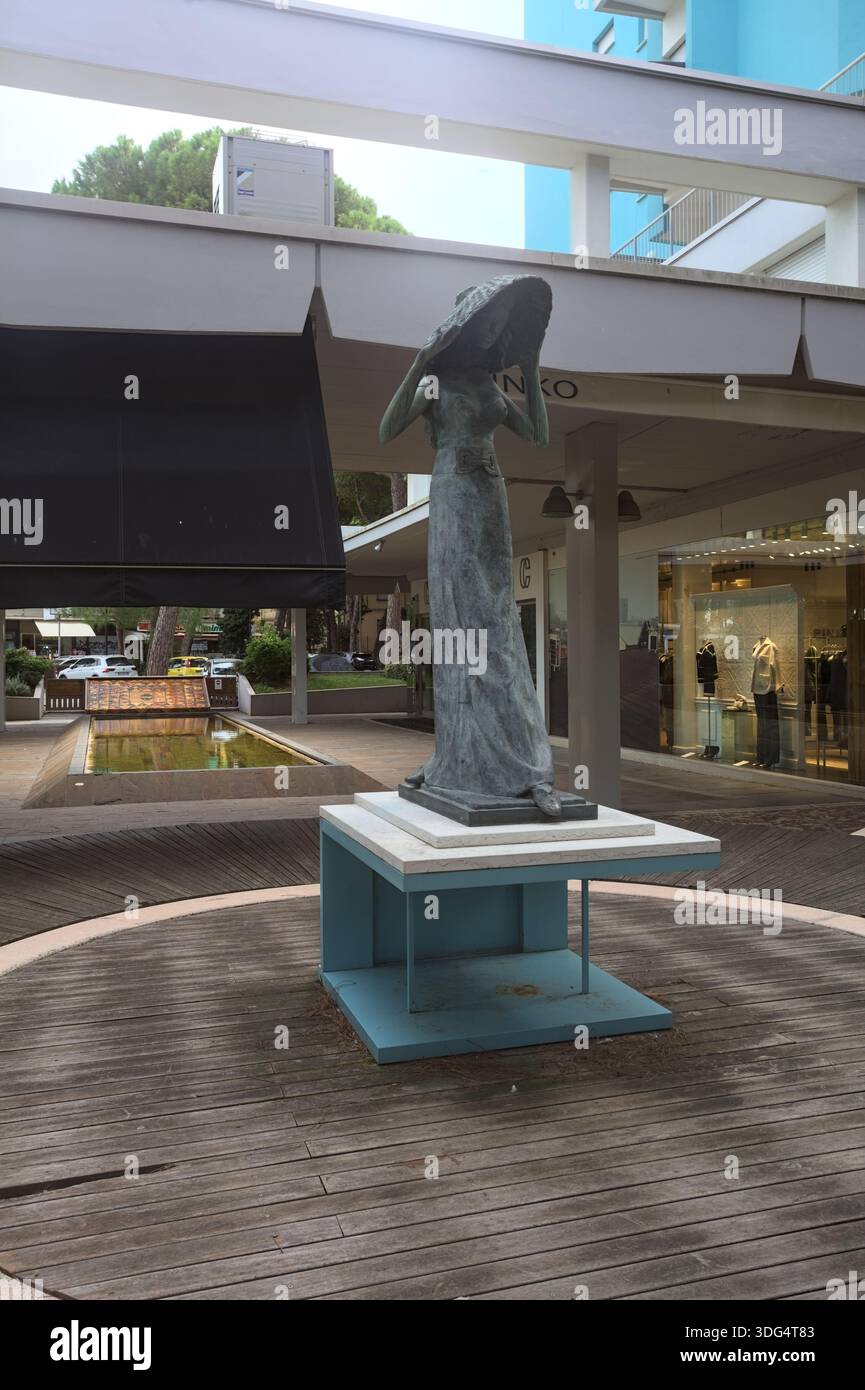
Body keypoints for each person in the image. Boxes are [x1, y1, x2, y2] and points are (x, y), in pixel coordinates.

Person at [379, 274, 561, 816]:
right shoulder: (437, 382)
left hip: (490, 495)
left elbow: (539, 435)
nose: (492, 335)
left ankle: (527, 769)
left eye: (500, 328)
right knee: (462, 625)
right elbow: (388, 428)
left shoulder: (491, 388)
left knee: (497, 625)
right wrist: (418, 362)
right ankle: (454, 758)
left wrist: (529, 372)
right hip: (454, 493)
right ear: (467, 327)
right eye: (487, 324)